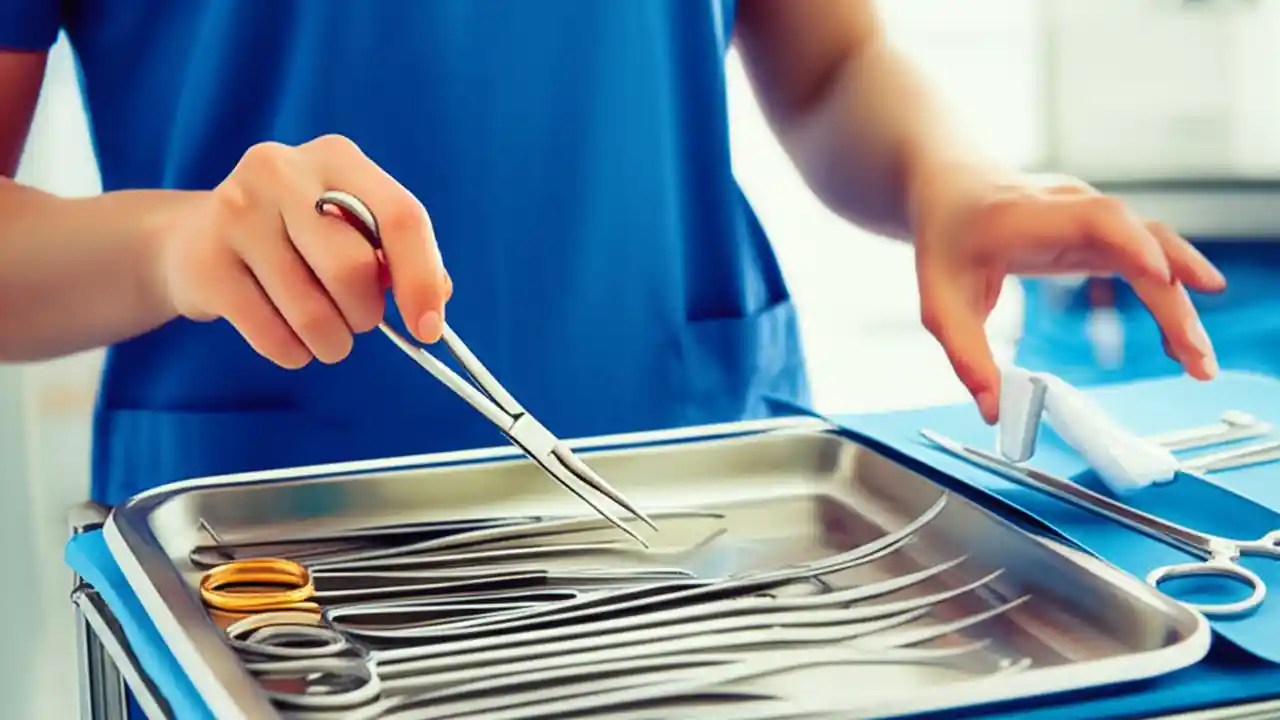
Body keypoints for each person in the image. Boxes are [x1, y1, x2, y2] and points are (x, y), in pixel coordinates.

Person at [1, 0, 1226, 515]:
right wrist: (177, 243)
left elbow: (827, 61)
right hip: (273, 529)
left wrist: (949, 182)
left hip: (704, 485)